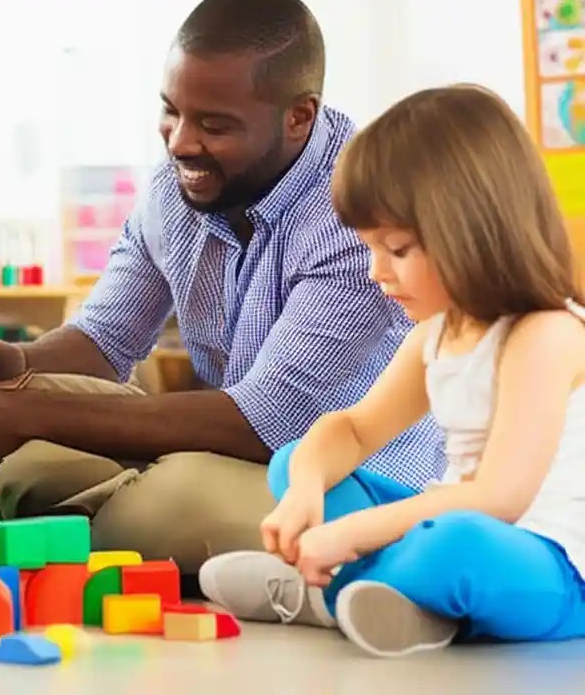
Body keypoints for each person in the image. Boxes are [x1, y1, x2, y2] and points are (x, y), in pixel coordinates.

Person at [0, 0, 443, 571]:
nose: (180, 142)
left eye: (214, 126)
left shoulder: (356, 212)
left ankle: (91, 522)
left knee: (168, 500)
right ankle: (99, 520)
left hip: (339, 485)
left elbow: (264, 421)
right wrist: (18, 368)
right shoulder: (177, 187)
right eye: (170, 112)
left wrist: (36, 413)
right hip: (224, 456)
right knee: (30, 456)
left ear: (298, 117)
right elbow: (104, 340)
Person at [200, 85, 585, 657]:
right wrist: (305, 487)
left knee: (456, 542)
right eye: (369, 247)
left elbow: (501, 497)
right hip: (452, 526)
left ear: (473, 230)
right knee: (295, 461)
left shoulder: (547, 333)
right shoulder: (437, 333)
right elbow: (351, 430)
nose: (378, 272)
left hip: (548, 566)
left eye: (398, 249)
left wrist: (350, 535)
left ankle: (315, 595)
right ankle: (394, 600)